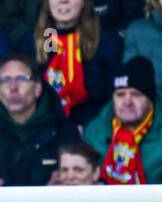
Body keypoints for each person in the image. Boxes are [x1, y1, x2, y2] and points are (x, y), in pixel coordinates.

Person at [84, 57, 162, 184]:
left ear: (150, 101)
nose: (127, 102)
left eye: (135, 94)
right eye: (120, 94)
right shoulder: (93, 132)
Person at [22, 0, 125, 128]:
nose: (63, 1)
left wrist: (90, 129)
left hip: (91, 129)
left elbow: (114, 99)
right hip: (42, 129)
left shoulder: (107, 41)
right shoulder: (28, 43)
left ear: (85, 3)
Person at [0, 54, 69, 186]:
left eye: (21, 79)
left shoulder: (62, 131)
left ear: (37, 89)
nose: (13, 87)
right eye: (5, 80)